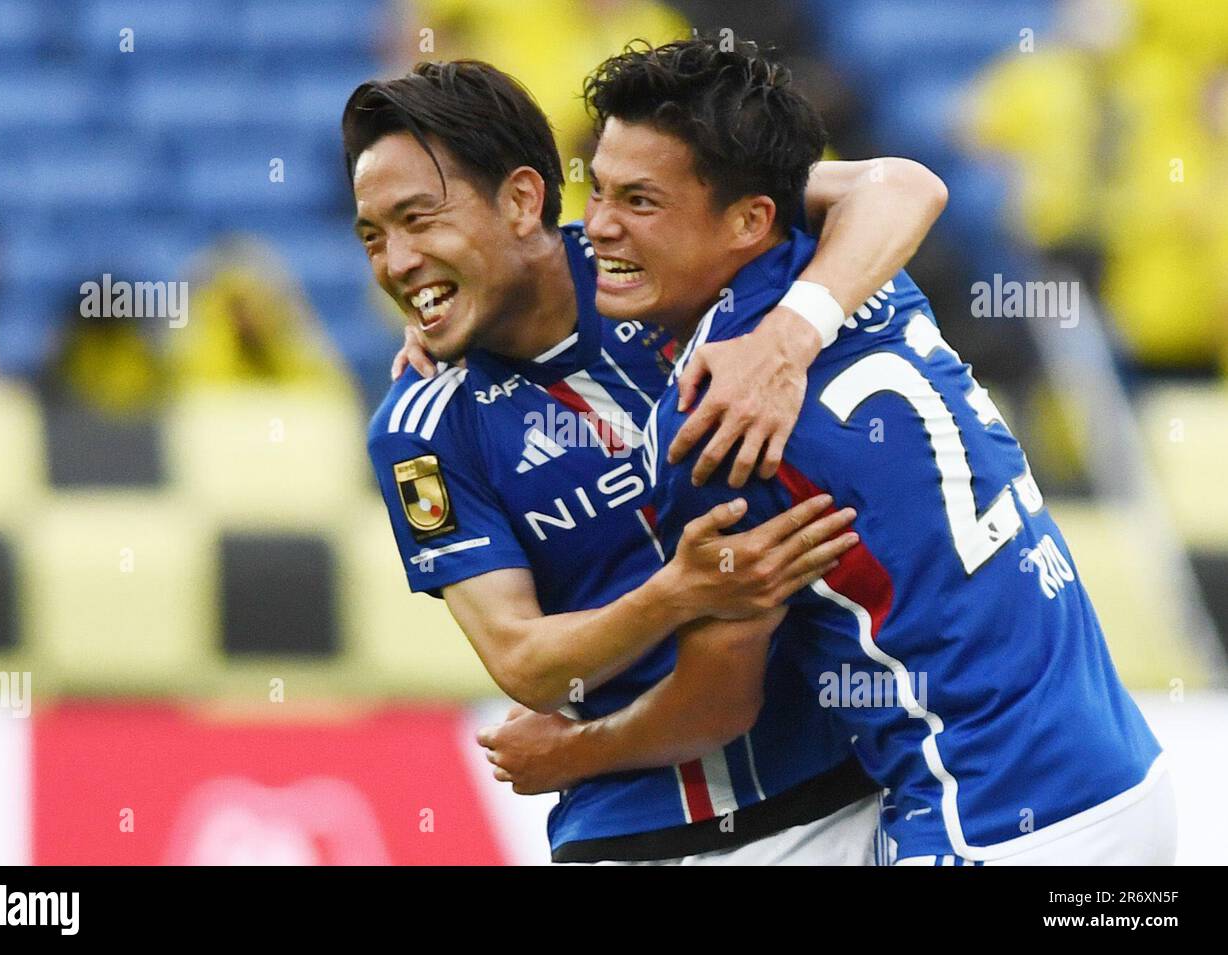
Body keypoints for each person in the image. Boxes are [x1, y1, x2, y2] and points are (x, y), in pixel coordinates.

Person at [487, 38, 1172, 866]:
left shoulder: (712, 423)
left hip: (983, 816)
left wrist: (568, 752)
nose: (598, 225)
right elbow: (901, 183)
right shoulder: (855, 264)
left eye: (640, 200)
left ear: (748, 219)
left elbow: (717, 707)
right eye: (595, 190)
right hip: (1126, 779)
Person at [349, 57, 946, 863]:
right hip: (634, 836)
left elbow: (902, 190)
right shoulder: (420, 429)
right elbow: (522, 660)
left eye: (419, 219)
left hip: (841, 793)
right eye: (373, 237)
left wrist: (786, 337)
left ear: (523, 200)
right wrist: (678, 592)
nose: (396, 262)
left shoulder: (658, 252)